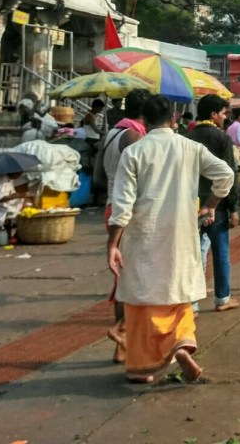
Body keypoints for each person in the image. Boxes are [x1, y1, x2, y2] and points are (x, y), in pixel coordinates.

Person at [107, 94, 235, 384]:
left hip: (143, 235)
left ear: (145, 120)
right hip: (181, 233)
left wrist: (112, 243)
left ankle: (144, 367)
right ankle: (179, 341)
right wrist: (211, 204)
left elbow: (123, 204)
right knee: (177, 293)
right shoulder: (190, 147)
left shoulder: (135, 152)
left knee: (142, 300)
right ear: (174, 118)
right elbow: (226, 175)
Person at [96, 87, 150, 364]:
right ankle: (123, 331)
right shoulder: (134, 136)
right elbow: (141, 180)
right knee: (135, 276)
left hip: (109, 206)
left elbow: (97, 178)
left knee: (123, 275)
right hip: (127, 210)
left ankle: (124, 342)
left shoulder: (111, 134)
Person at [188, 94, 240, 313]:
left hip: (191, 203)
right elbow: (230, 176)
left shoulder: (187, 137)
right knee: (221, 252)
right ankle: (222, 298)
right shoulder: (221, 139)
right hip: (215, 204)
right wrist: (234, 208)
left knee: (192, 255)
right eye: (222, 113)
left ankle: (191, 304)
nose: (224, 118)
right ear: (213, 114)